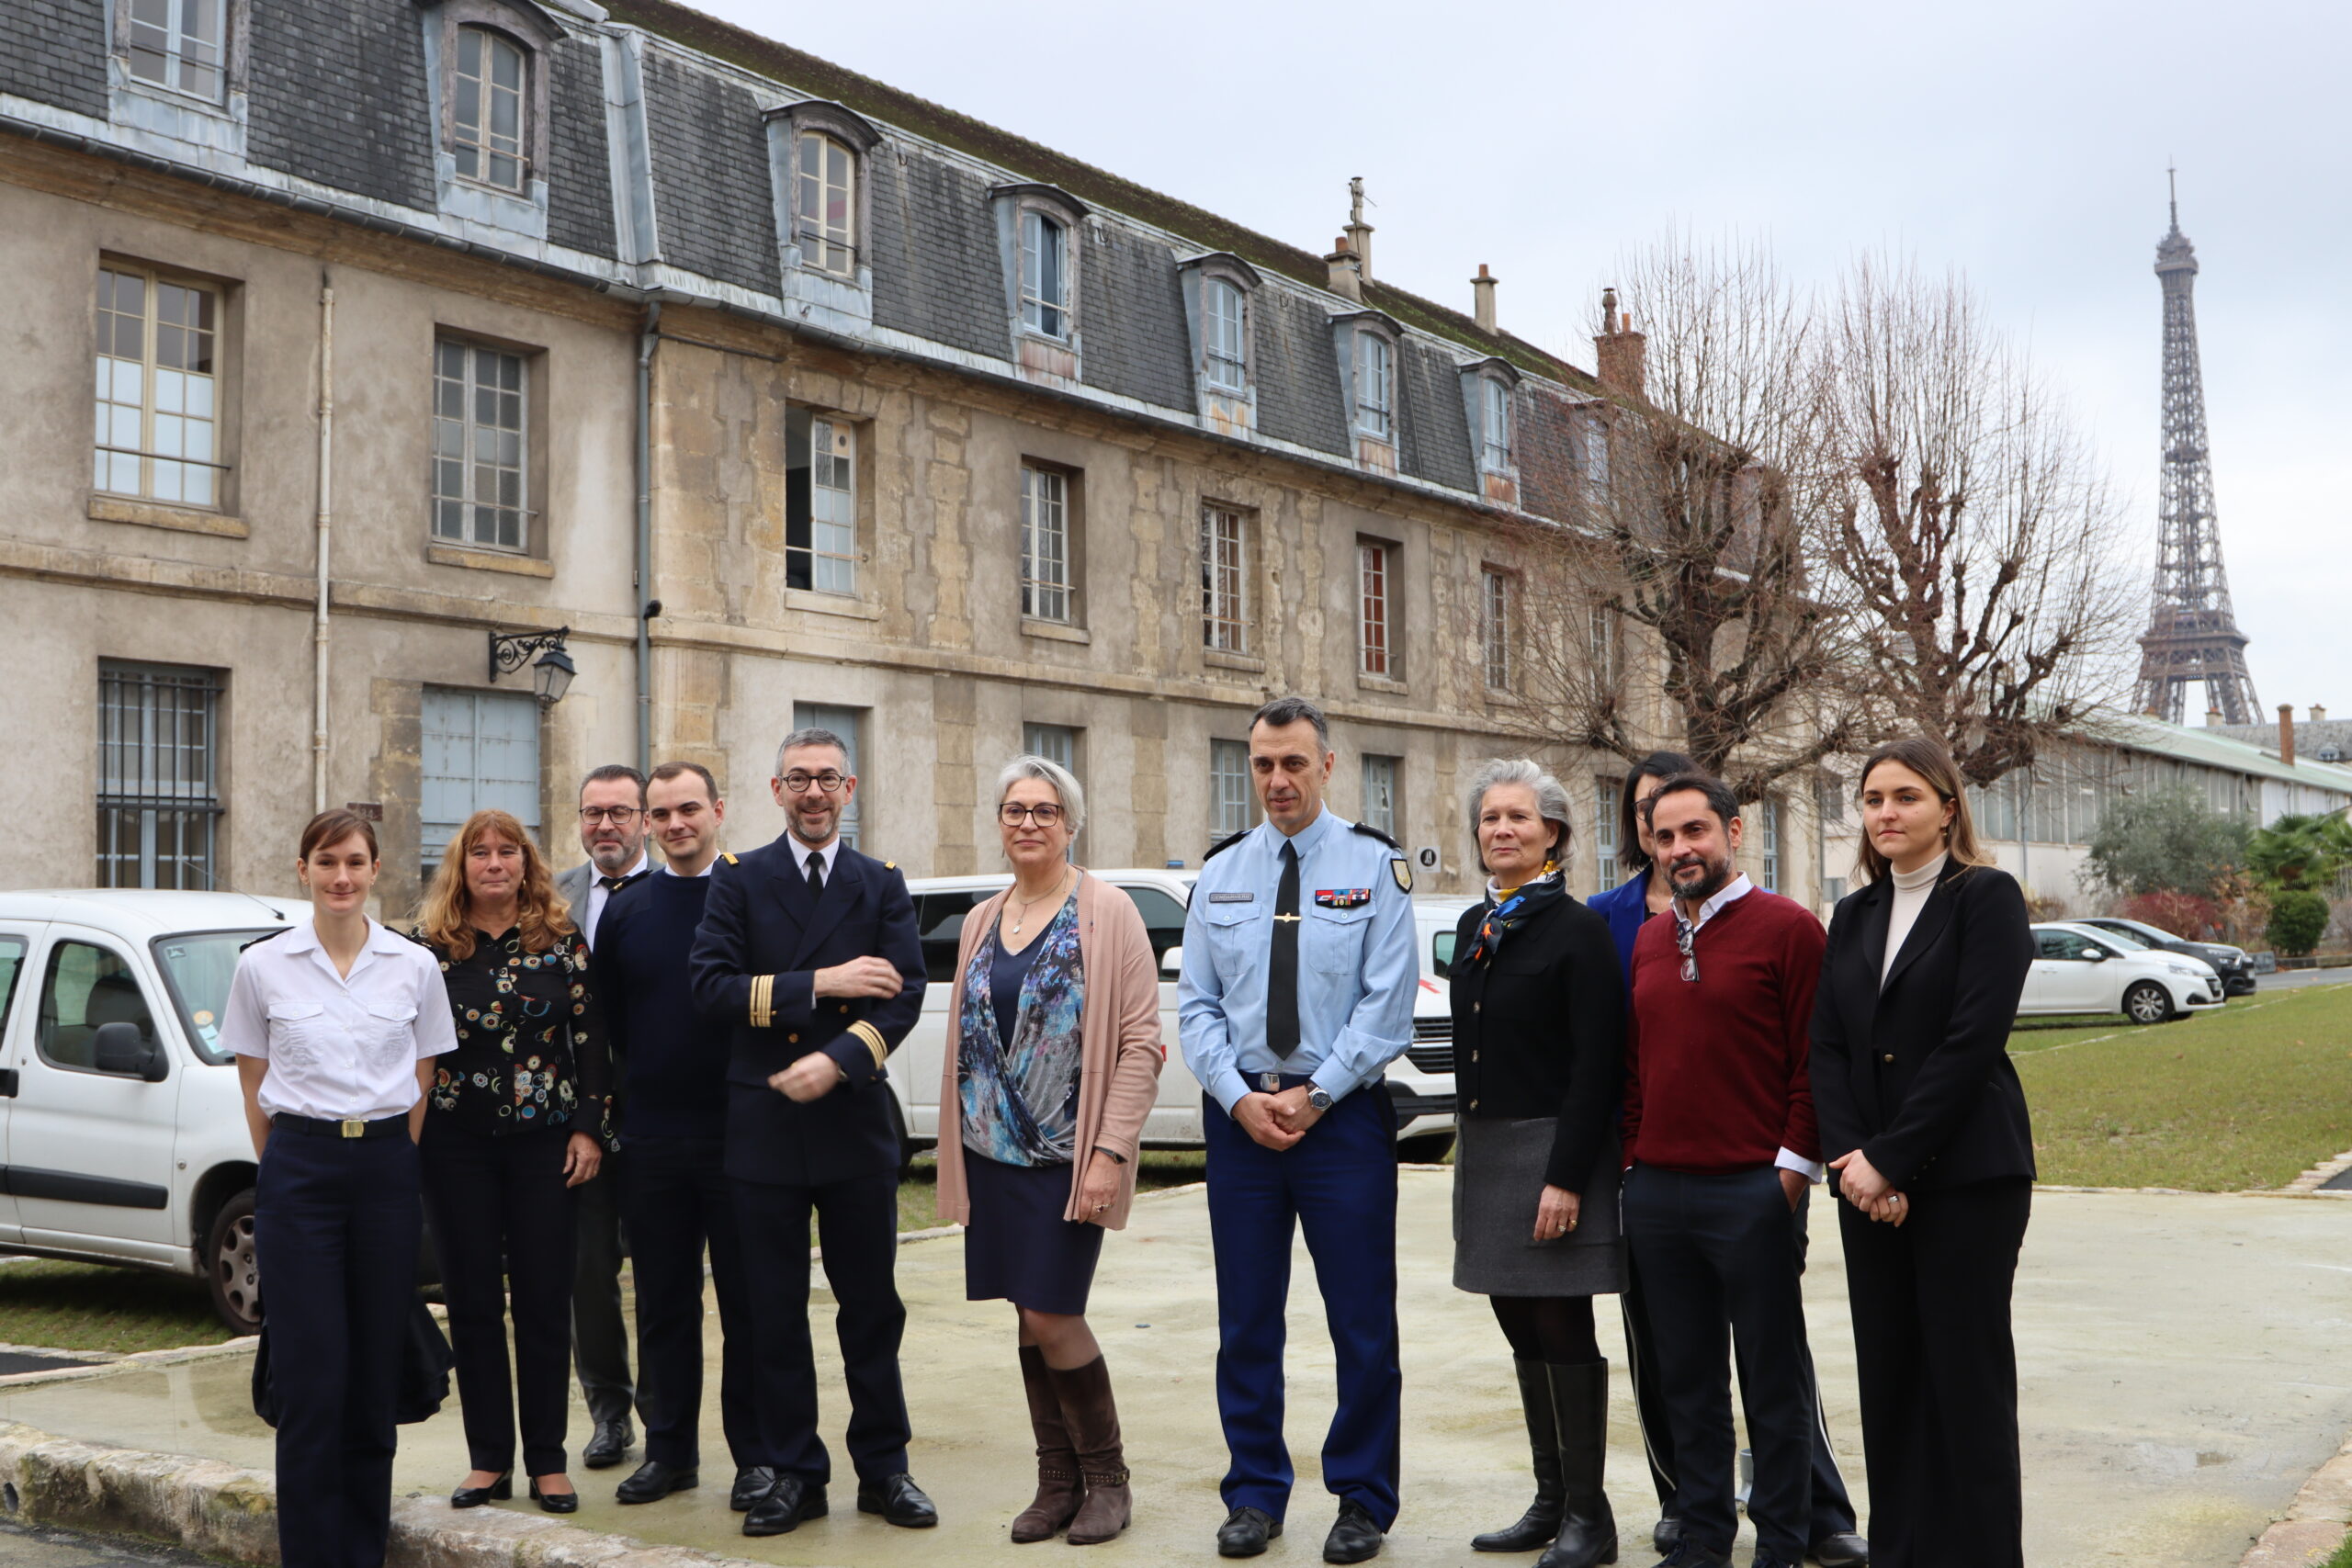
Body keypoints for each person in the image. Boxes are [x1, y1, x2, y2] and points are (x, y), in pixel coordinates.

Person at [1591, 753, 1865, 1568]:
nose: (1680, 847)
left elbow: (1815, 1065)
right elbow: (1635, 1069)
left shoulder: (1788, 929)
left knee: (1773, 1383)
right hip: (1661, 1193)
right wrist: (1636, 1166)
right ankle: (1704, 1532)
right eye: (1664, 834)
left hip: (1754, 1189)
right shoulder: (1646, 940)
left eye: (1696, 830)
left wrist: (1786, 1173)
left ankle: (1782, 1539)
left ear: (1733, 832)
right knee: (1689, 1381)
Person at [1178, 696, 1419, 1565]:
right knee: (1246, 1318)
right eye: (1262, 765)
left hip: (1343, 1121)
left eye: (1293, 763)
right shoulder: (1221, 872)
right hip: (1242, 1123)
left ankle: (1362, 1497)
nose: (1277, 781)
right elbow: (1197, 1004)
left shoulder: (1375, 866)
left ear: (1327, 766)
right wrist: (1240, 1097)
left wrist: (1314, 1097)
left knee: (1360, 1319)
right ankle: (1254, 1491)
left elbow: (1386, 1007)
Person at [688, 725, 934, 1539]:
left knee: (871, 1306)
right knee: (770, 1310)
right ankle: (796, 1473)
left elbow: (902, 994)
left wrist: (838, 1059)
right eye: (799, 779)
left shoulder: (880, 882)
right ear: (775, 790)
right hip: (762, 1121)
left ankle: (885, 1469)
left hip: (853, 1121)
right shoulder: (739, 880)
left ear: (850, 789)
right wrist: (823, 981)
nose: (815, 793)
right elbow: (711, 986)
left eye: (829, 778)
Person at [1811, 739, 2036, 1568]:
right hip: (1868, 1183)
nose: (1886, 812)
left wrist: (1893, 1161)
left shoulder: (1987, 897)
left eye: (1905, 796)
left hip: (1969, 1177)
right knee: (1893, 1382)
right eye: (1873, 799)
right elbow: (1827, 1048)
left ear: (1947, 807)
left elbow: (1971, 1042)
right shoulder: (1855, 914)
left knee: (1964, 1385)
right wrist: (1852, 1163)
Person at [933, 755, 1166, 1546]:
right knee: (1027, 1316)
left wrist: (1110, 1151)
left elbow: (1140, 1042)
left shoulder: (1110, 912)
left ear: (1070, 822)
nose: (1027, 821)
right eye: (1014, 809)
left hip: (1067, 1157)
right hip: (991, 1152)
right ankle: (1055, 1478)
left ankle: (1108, 1478)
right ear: (1000, 823)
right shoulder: (980, 919)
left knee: (1053, 1310)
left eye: (1044, 809)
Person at [221, 809, 455, 1568]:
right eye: (327, 862)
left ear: (375, 868)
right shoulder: (264, 965)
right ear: (304, 870)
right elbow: (253, 1078)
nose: (342, 876)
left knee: (371, 1367)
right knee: (312, 1370)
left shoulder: (413, 964)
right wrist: (293, 1159)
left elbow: (423, 1076)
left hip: (385, 1170)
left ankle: (362, 1550)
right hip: (300, 1173)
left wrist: (387, 1157)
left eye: (355, 861)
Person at [1447, 761, 1624, 1568]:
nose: (1501, 830)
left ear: (1552, 832)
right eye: (1490, 818)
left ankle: (1591, 1516)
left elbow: (1599, 1065)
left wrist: (1567, 1174)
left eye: (1518, 817)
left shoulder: (1577, 929)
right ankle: (1549, 1500)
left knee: (1561, 1325)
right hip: (1488, 1150)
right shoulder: (1481, 924)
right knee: (1518, 1325)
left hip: (1554, 1151)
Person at [413, 808, 613, 1516]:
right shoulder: (428, 949)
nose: (494, 863)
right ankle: (488, 1457)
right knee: (469, 1300)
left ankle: (549, 1461)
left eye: (508, 852)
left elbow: (591, 1041)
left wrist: (588, 1128)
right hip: (454, 1143)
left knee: (542, 1298)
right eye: (480, 853)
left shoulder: (561, 943)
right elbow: (408, 1048)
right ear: (460, 867)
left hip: (543, 1141)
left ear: (527, 864)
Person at [594, 761, 774, 1511]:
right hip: (654, 1140)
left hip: (741, 1135)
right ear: (646, 821)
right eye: (660, 813)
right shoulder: (628, 911)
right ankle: (669, 1450)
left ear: (718, 810)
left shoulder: (753, 896)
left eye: (687, 809)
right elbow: (605, 1027)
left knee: (749, 1306)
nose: (675, 824)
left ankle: (757, 1459)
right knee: (665, 1303)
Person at [555, 762, 650, 1472]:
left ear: (645, 818)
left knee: (662, 1269)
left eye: (620, 812)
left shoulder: (684, 886)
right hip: (580, 1116)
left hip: (660, 1113)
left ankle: (666, 1414)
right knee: (588, 1269)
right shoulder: (555, 895)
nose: (606, 826)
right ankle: (609, 1413)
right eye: (594, 813)